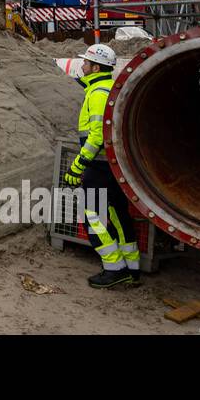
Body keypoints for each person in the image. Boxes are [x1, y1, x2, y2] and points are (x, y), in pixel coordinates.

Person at [62, 43, 141, 288]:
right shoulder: (110, 88)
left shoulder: (96, 94)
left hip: (98, 166)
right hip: (113, 166)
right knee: (118, 214)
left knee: (94, 217)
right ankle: (132, 267)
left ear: (96, 67)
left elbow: (96, 136)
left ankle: (113, 268)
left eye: (86, 63)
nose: (82, 66)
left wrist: (77, 166)